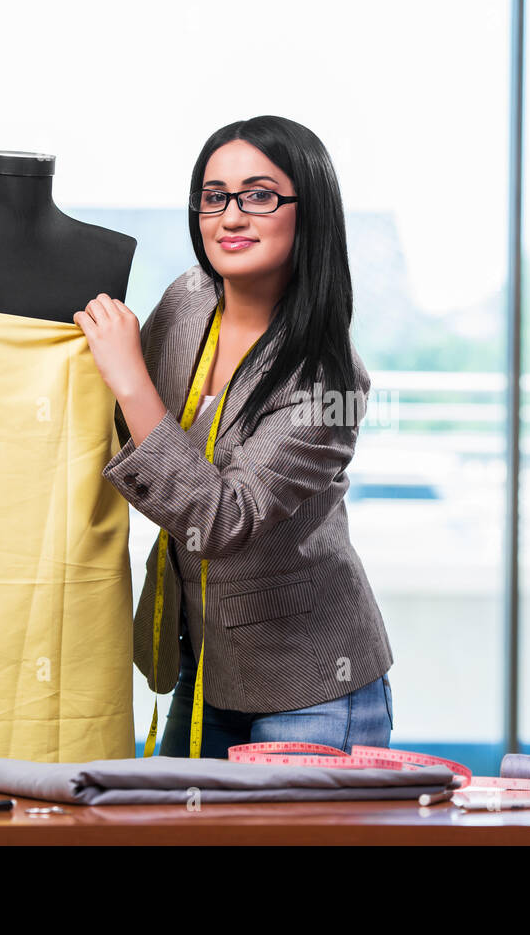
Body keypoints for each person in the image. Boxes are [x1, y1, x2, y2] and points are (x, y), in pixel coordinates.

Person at [74, 115, 394, 759]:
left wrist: (130, 376)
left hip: (310, 683)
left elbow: (224, 518)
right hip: (207, 664)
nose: (231, 217)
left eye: (259, 195)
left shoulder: (327, 379)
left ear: (310, 213)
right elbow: (133, 436)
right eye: (214, 197)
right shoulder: (189, 301)